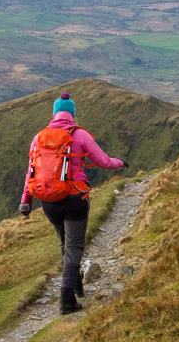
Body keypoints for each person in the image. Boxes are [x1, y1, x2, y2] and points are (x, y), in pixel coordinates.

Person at [18, 92, 126, 314]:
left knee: (64, 244)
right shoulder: (80, 135)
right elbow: (103, 161)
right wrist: (120, 163)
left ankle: (77, 287)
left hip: (49, 200)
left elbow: (32, 171)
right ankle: (67, 299)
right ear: (73, 114)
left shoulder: (39, 138)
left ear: (55, 113)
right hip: (76, 198)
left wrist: (26, 201)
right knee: (74, 246)